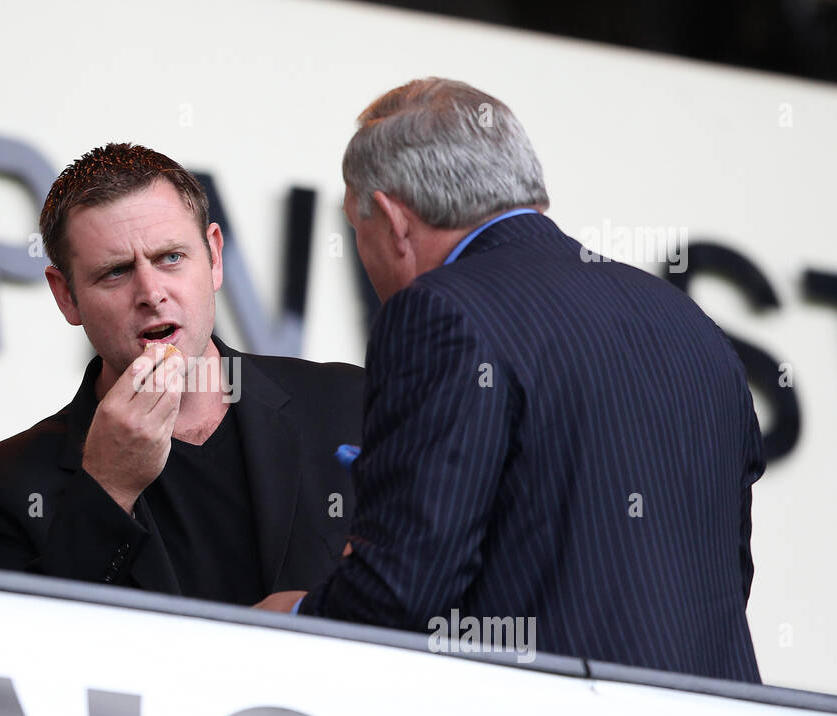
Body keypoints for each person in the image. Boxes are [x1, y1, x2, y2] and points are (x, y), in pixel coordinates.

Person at [258, 79, 764, 684]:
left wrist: (294, 613)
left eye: (354, 226)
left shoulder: (437, 312)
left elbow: (402, 590)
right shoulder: (687, 322)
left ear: (392, 220)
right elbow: (729, 573)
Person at [0, 143, 363, 603]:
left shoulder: (352, 404)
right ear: (66, 296)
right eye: (116, 272)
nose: (151, 292)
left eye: (171, 258)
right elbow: (38, 654)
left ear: (215, 257)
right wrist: (107, 490)